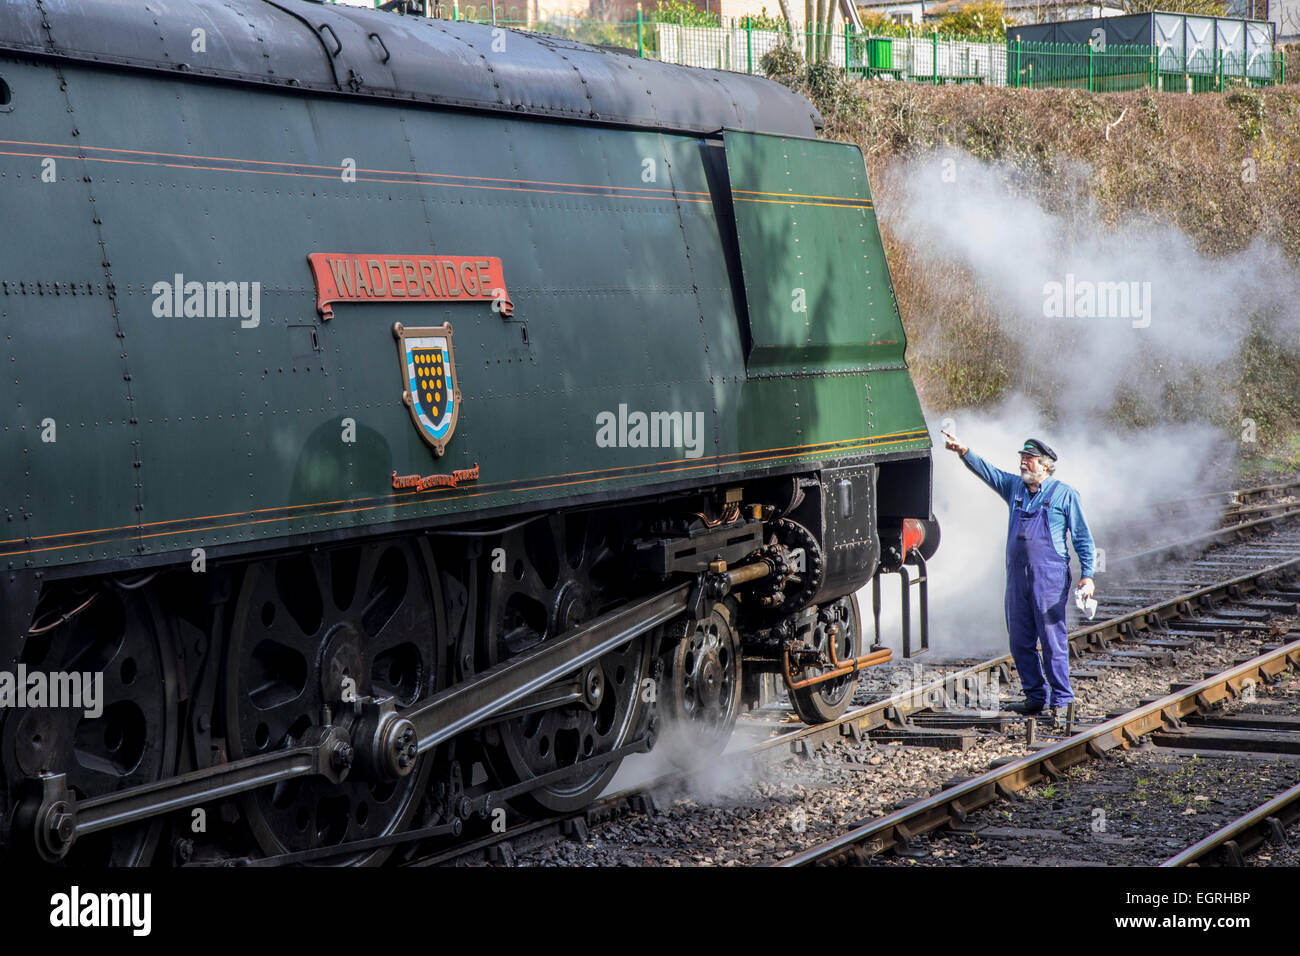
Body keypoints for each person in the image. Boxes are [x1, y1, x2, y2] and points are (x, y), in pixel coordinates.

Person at [941, 430, 1096, 722]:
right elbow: (988, 473)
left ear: (1046, 465)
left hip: (1049, 578)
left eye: (1030, 459)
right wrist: (964, 451)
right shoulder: (1015, 488)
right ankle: (1036, 696)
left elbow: (1083, 539)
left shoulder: (1065, 494)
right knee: (1020, 641)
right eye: (1022, 458)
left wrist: (1088, 575)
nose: (1023, 464)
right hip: (1017, 578)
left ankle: (1062, 699)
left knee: (1052, 639)